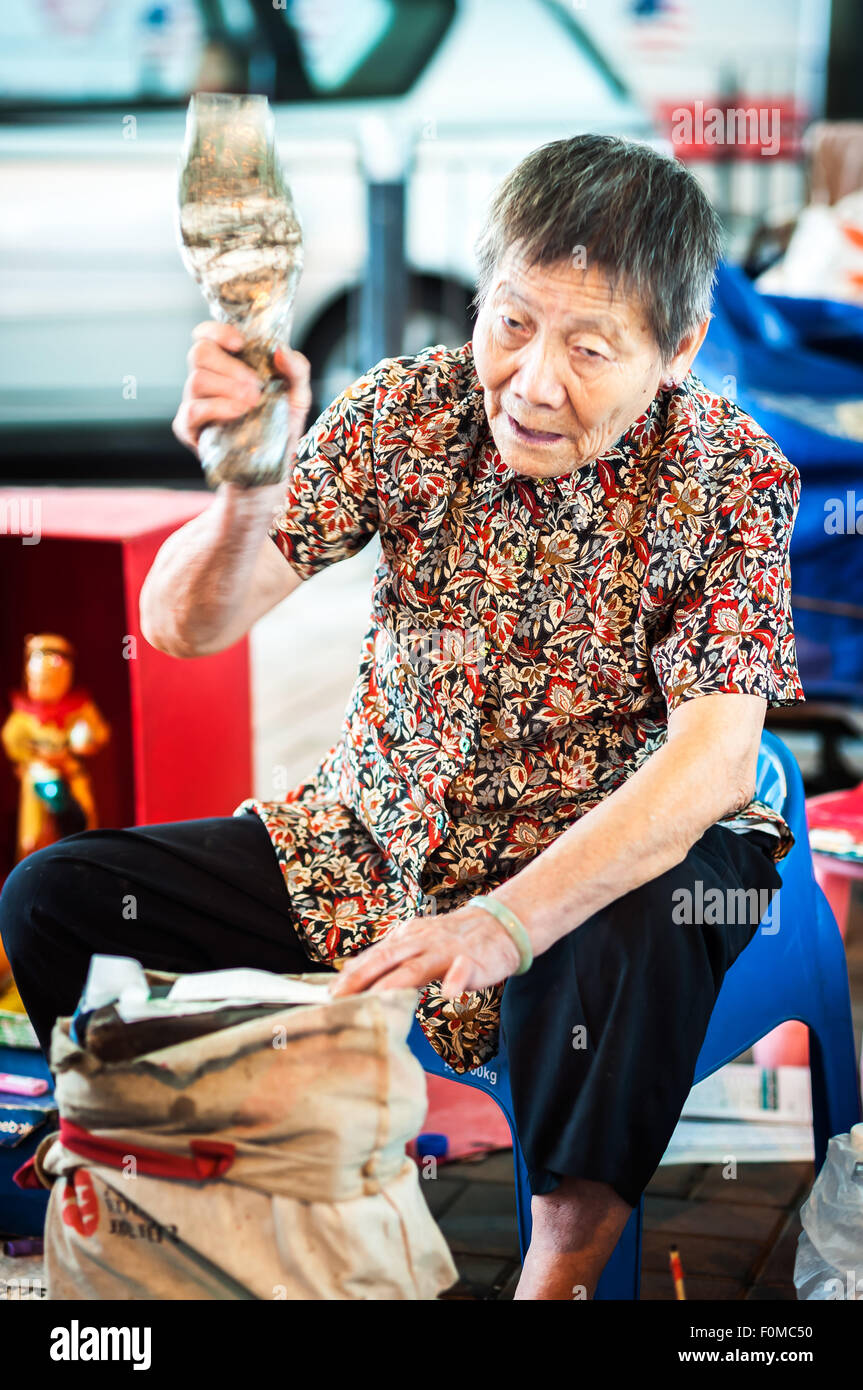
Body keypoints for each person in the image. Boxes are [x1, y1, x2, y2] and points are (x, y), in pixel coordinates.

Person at [0, 135, 803, 1300]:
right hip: (372, 844)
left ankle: (557, 1274)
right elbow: (181, 625)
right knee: (55, 898)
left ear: (675, 350)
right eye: (512, 324)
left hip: (606, 861)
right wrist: (246, 491)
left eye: (588, 347)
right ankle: (197, 1177)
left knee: (639, 930)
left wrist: (500, 924)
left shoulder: (727, 474)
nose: (531, 382)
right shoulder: (408, 415)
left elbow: (712, 761)